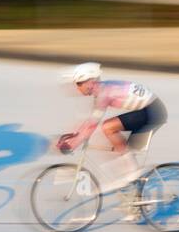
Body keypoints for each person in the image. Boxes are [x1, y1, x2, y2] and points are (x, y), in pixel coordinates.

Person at [57, 62, 167, 199]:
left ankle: (132, 174)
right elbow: (90, 121)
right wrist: (75, 136)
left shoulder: (104, 93)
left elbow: (92, 124)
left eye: (79, 83)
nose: (77, 87)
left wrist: (74, 143)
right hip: (148, 110)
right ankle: (134, 198)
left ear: (91, 81)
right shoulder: (102, 90)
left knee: (108, 128)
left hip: (152, 112)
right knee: (119, 148)